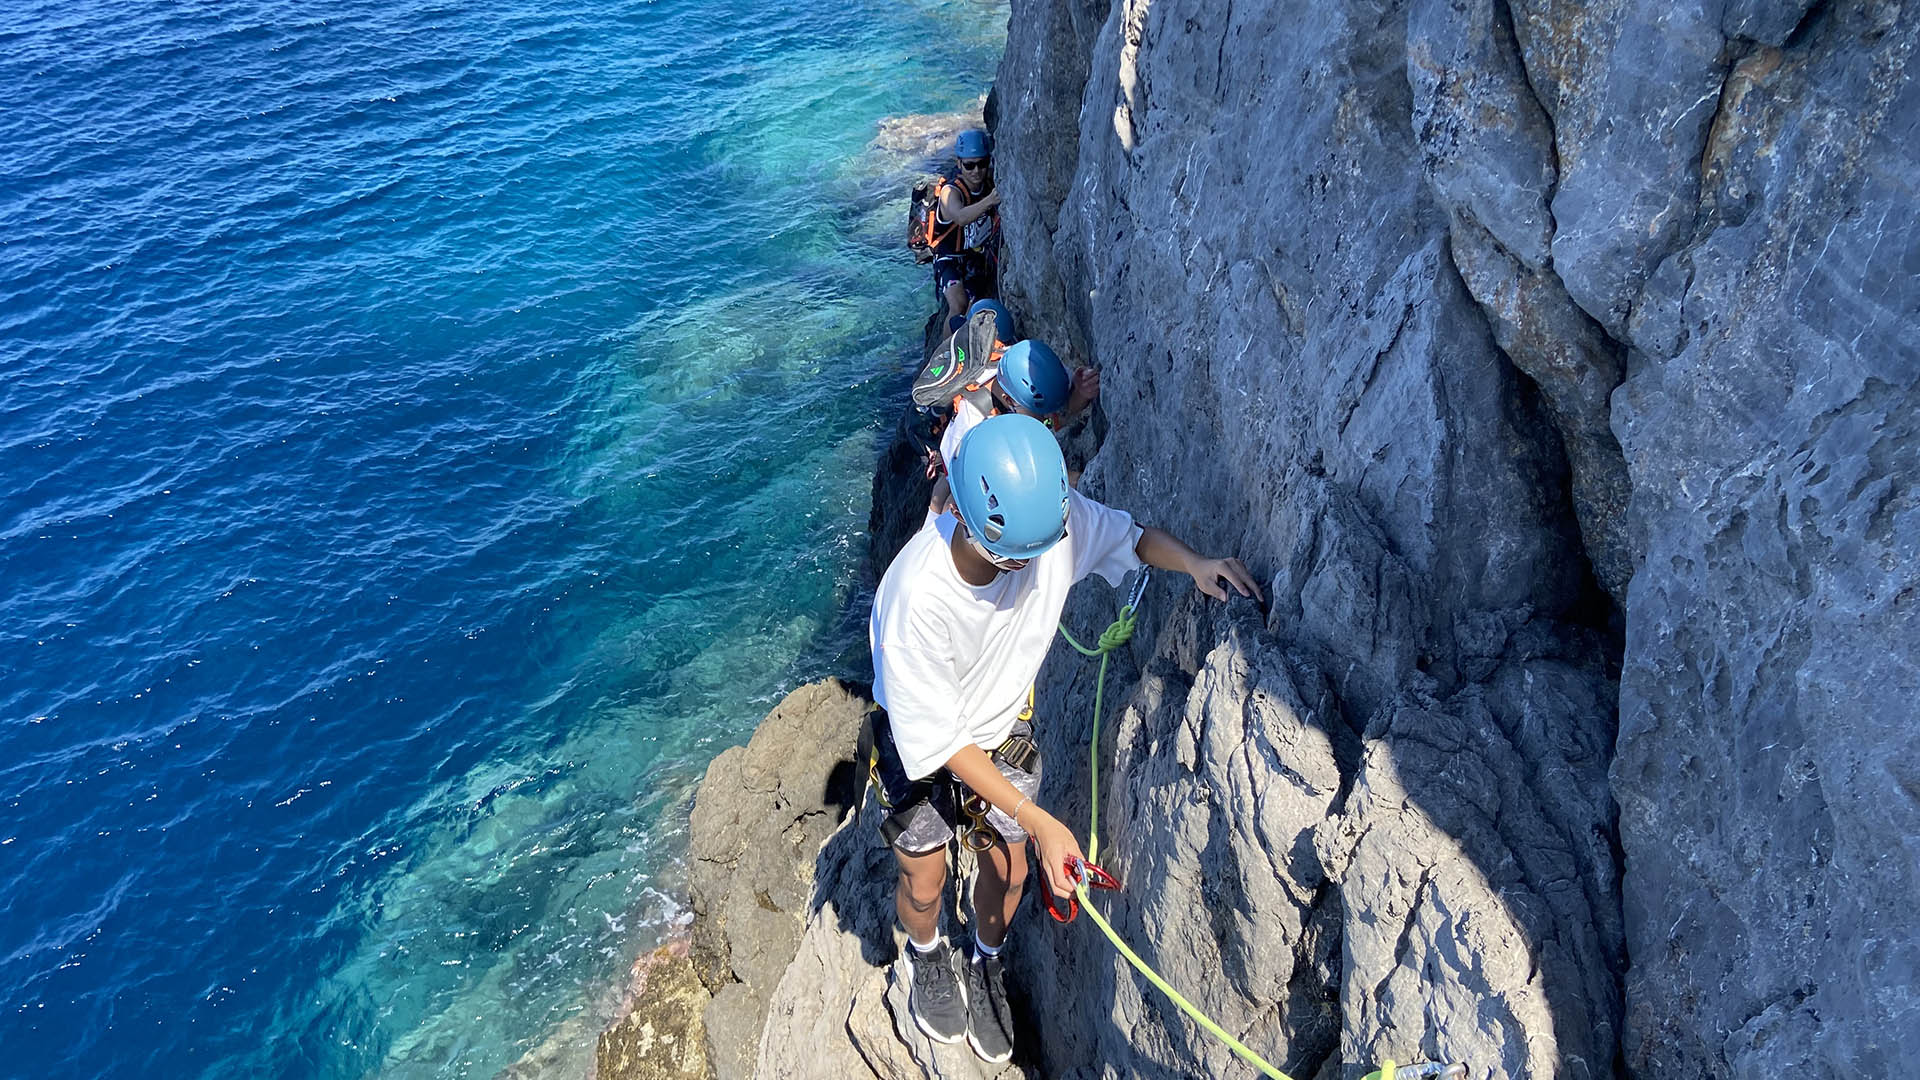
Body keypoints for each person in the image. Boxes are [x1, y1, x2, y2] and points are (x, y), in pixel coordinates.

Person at [867, 413, 1262, 1063]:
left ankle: (986, 960)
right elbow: (940, 747)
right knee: (924, 879)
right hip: (923, 743)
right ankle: (928, 953)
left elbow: (1133, 541)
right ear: (974, 527)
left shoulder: (1048, 525)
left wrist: (1193, 562)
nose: (1040, 565)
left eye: (1045, 547)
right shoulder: (915, 600)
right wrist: (1041, 819)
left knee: (1011, 867)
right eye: (1022, 556)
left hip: (999, 728)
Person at [929, 129, 1001, 333]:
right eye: (969, 165)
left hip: (974, 256)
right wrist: (990, 200)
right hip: (948, 257)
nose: (976, 171)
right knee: (958, 305)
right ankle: (943, 354)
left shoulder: (987, 183)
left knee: (976, 307)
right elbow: (960, 217)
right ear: (959, 164)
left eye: (982, 163)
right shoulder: (950, 192)